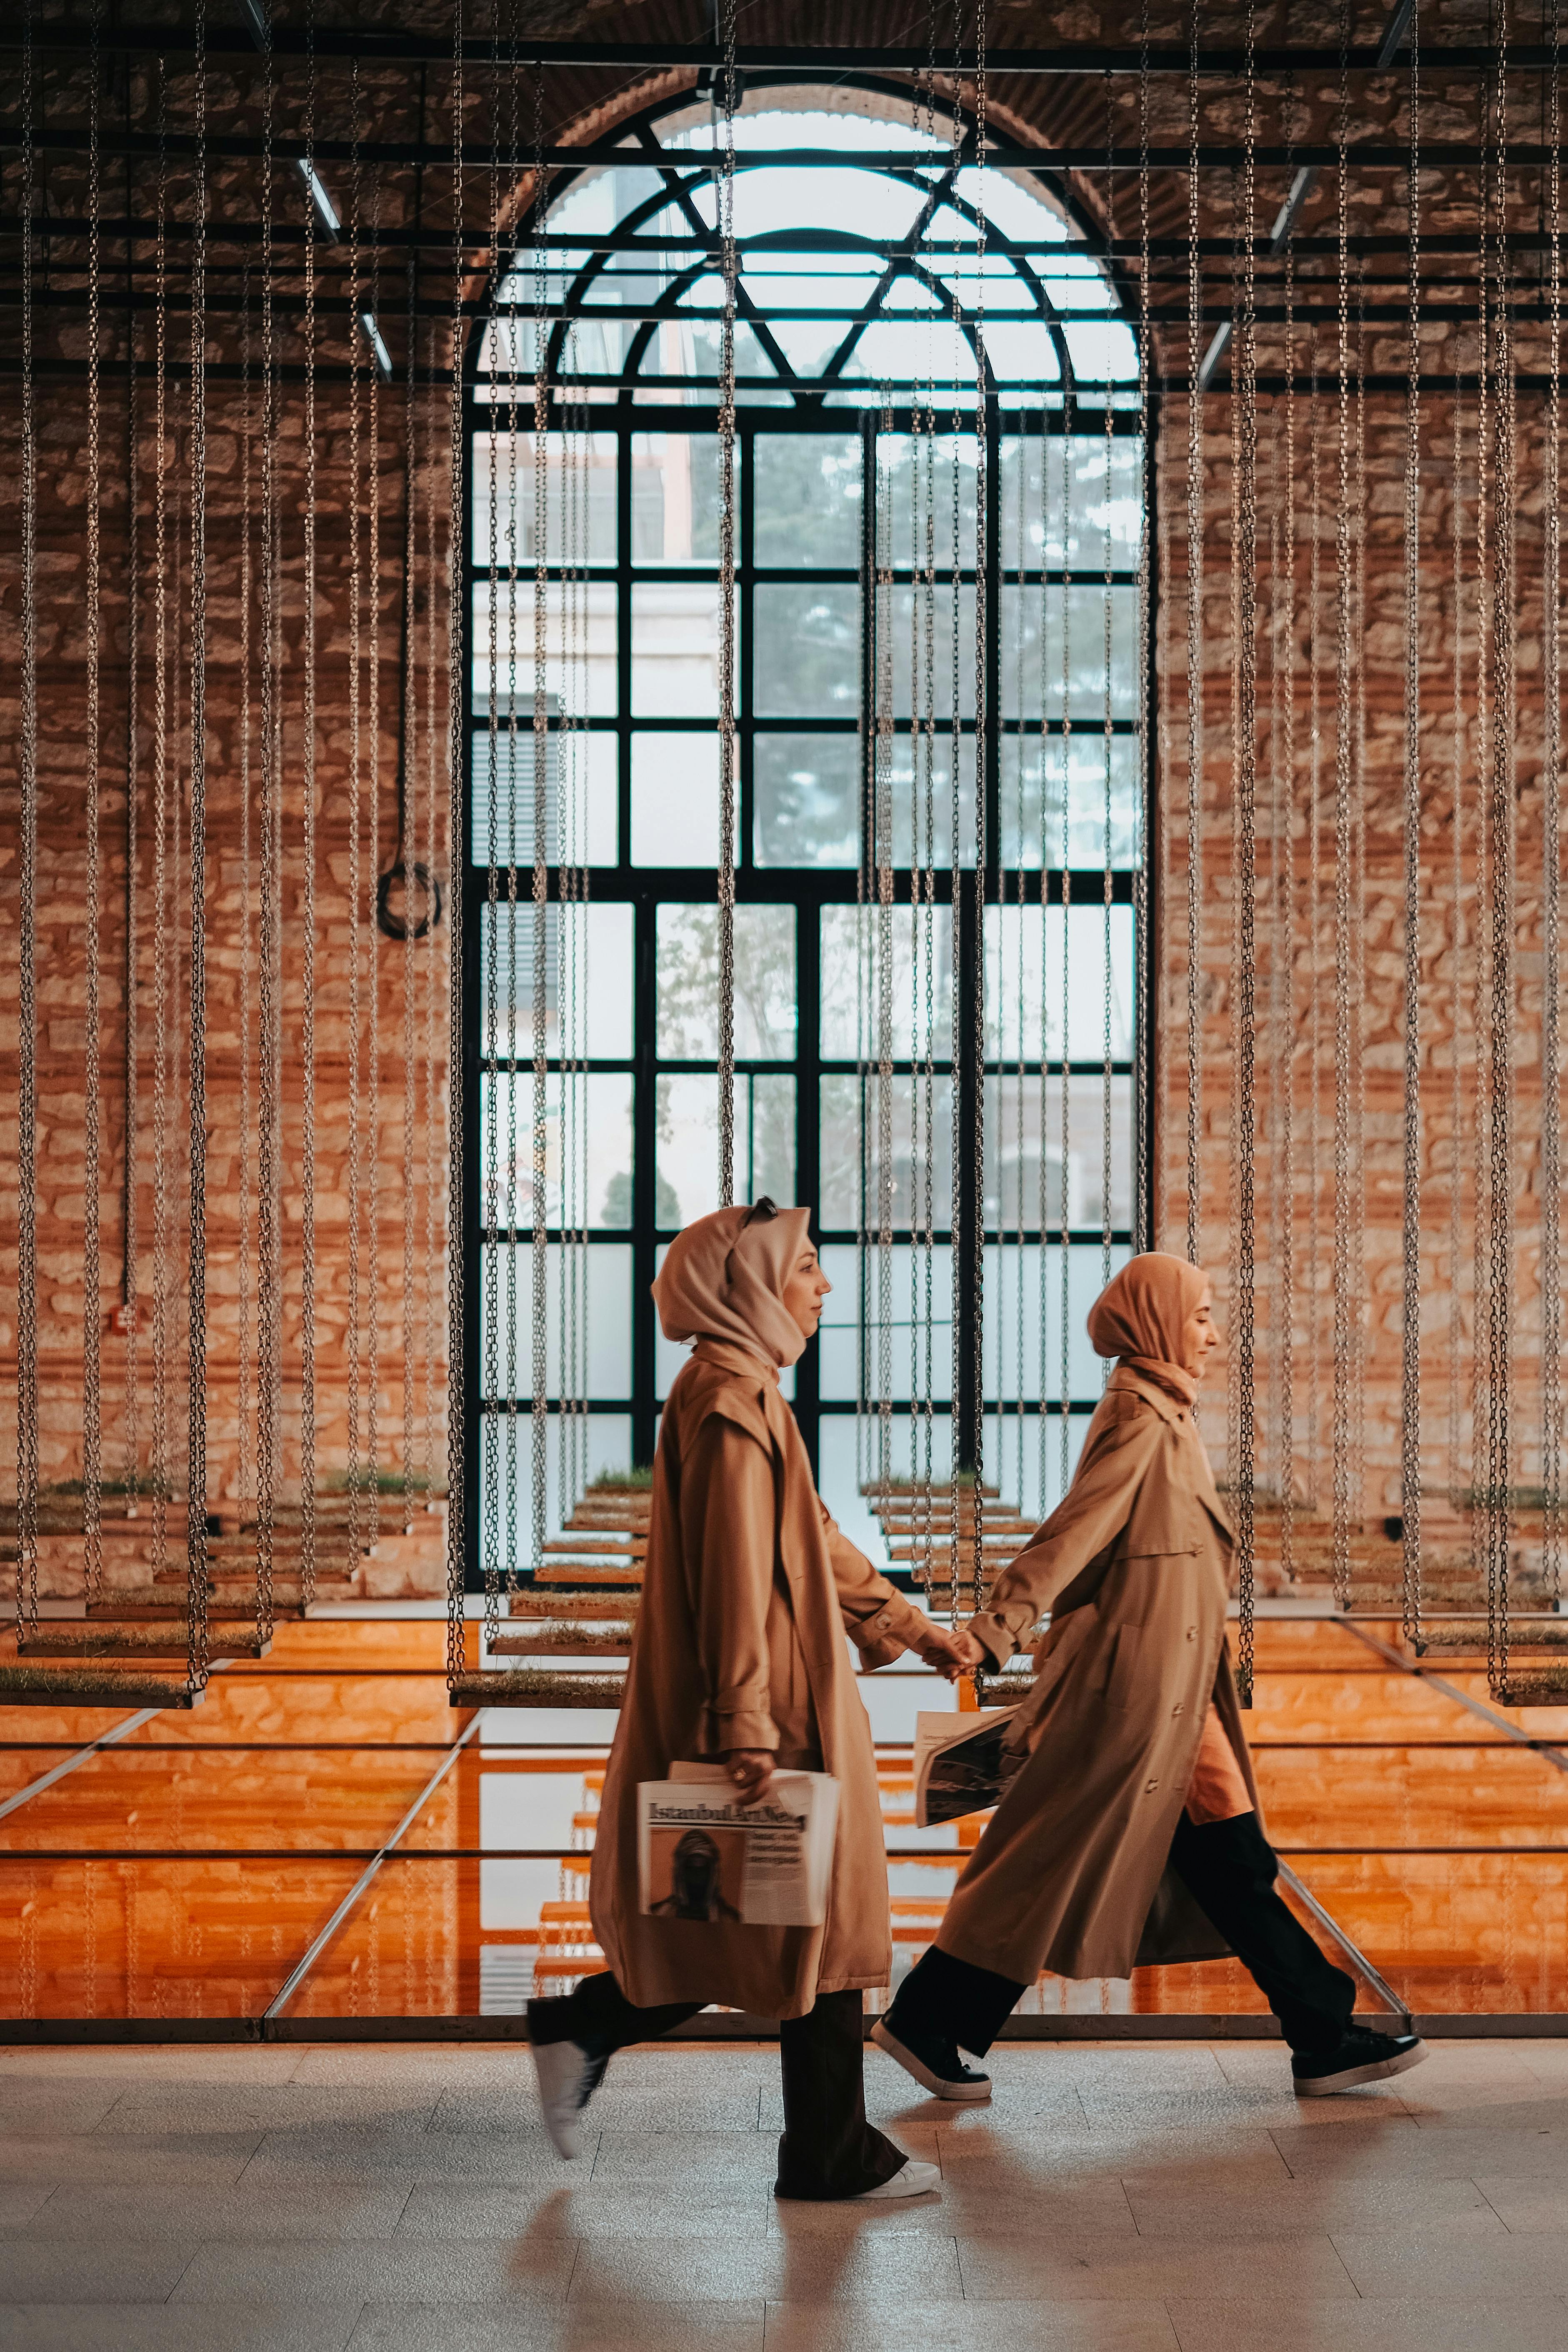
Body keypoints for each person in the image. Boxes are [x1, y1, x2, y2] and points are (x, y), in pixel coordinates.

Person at [873, 1252, 1428, 2104]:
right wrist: (993, 1632)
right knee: (1041, 1862)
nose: (1211, 1333)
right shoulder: (1135, 1416)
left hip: (1176, 1694)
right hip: (1128, 1696)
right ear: (1157, 1320)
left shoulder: (1166, 1415)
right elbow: (1069, 1537)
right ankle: (924, 2017)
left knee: (1234, 1860)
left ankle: (1319, 2028)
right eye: (1199, 1314)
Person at [528, 1197, 971, 2199]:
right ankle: (600, 2034)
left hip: (788, 1700)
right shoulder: (728, 1402)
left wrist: (910, 1626)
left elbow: (811, 1533)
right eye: (806, 1265)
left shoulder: (748, 1393)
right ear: (751, 1286)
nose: (823, 1287)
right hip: (777, 1713)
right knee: (772, 1923)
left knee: (791, 1926)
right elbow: (735, 1574)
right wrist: (744, 1724)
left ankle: (819, 2144)